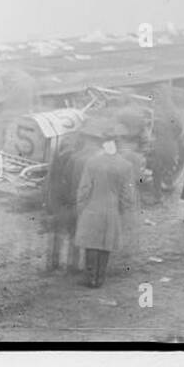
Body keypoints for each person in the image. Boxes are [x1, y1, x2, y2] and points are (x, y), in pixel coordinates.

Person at [74, 121, 136, 288]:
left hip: (92, 208)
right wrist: (122, 210)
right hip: (112, 209)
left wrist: (81, 208)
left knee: (91, 244)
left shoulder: (92, 163)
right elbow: (128, 195)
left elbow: (84, 189)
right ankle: (100, 278)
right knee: (105, 244)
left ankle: (90, 277)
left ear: (103, 144)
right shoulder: (125, 165)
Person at [44, 128, 94, 273]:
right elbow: (74, 181)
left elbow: (51, 180)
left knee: (56, 233)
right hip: (69, 199)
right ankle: (73, 265)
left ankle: (52, 264)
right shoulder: (76, 158)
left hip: (57, 198)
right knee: (74, 232)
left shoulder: (57, 157)